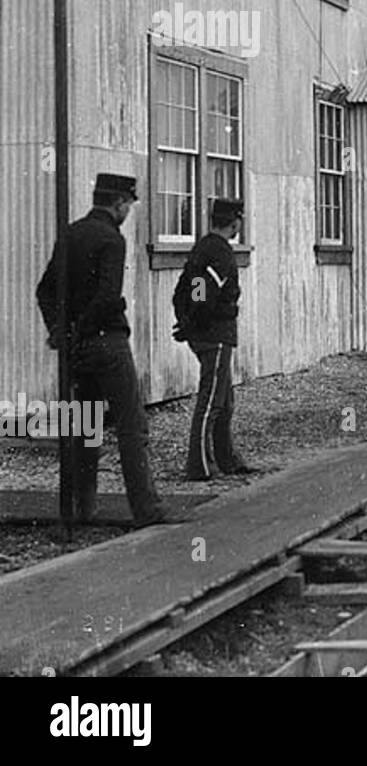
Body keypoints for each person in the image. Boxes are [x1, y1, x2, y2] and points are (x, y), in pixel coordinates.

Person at [35, 173, 174, 527]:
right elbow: (109, 295)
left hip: (77, 349)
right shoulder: (113, 239)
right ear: (119, 203)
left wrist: (61, 331)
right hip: (108, 342)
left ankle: (84, 508)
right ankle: (146, 509)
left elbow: (45, 290)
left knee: (86, 426)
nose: (129, 211)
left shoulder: (71, 233)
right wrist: (84, 328)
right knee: (132, 426)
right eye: (129, 205)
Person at [173, 198, 256, 481]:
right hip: (216, 333)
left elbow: (186, 288)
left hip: (205, 331)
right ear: (234, 223)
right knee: (212, 401)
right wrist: (195, 320)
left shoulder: (203, 247)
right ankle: (199, 466)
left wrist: (187, 322)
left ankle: (226, 458)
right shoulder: (220, 253)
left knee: (225, 399)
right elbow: (203, 291)